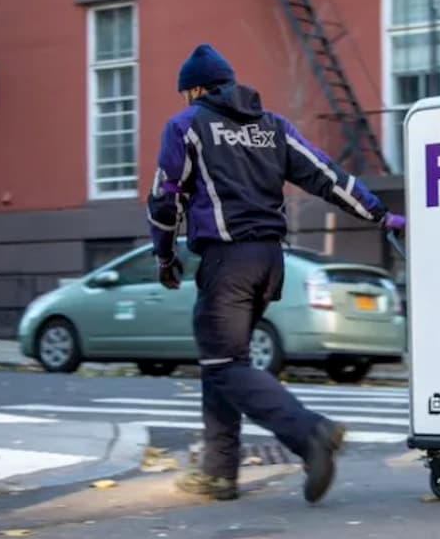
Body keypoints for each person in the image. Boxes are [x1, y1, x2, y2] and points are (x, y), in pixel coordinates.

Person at [146, 43, 406, 504]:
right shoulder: (273, 127)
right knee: (223, 363)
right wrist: (379, 214)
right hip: (270, 261)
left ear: (198, 90)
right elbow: (326, 175)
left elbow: (166, 198)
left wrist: (165, 256)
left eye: (187, 93)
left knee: (224, 363)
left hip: (227, 261)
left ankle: (311, 433)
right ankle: (220, 473)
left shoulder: (187, 127)